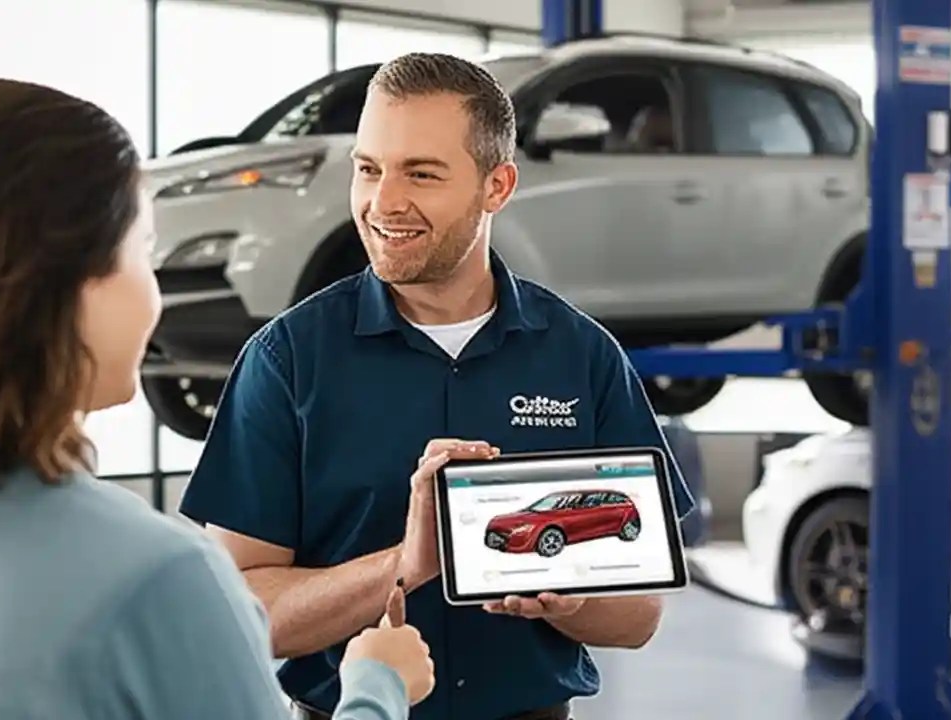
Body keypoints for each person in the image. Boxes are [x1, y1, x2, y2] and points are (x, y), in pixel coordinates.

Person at [0, 78, 434, 720]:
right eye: (143, 252)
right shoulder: (155, 576)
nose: (154, 294)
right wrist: (377, 685)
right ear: (63, 282)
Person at [180, 52, 695, 720]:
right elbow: (242, 611)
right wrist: (408, 562)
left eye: (420, 173)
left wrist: (571, 602)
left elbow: (640, 615)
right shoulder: (287, 360)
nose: (383, 202)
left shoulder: (583, 357)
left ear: (497, 186)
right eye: (369, 169)